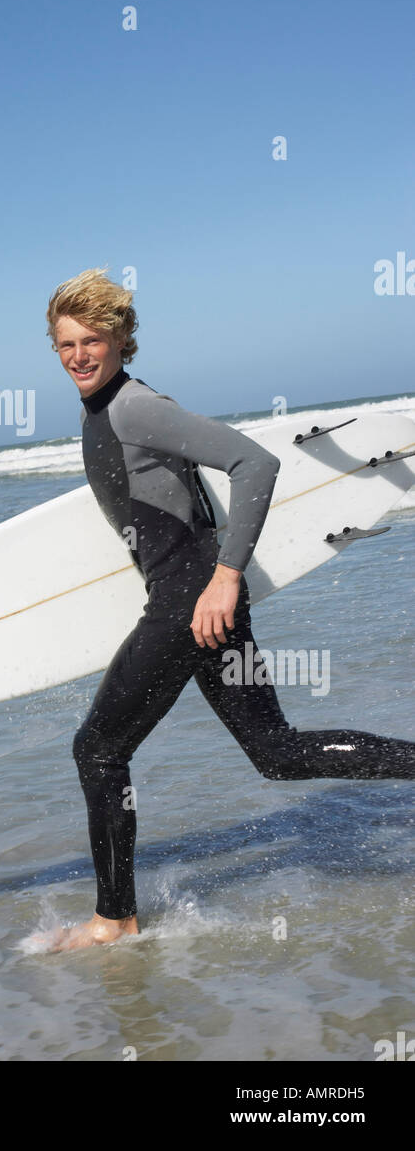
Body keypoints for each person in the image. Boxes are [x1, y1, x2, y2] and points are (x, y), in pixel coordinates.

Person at [38, 267, 415, 953]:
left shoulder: (132, 407)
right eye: (64, 344)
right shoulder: (104, 410)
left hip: (191, 599)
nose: (78, 356)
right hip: (196, 597)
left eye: (92, 340)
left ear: (121, 340)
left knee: (97, 749)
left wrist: (224, 578)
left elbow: (252, 465)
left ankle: (113, 920)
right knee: (276, 753)